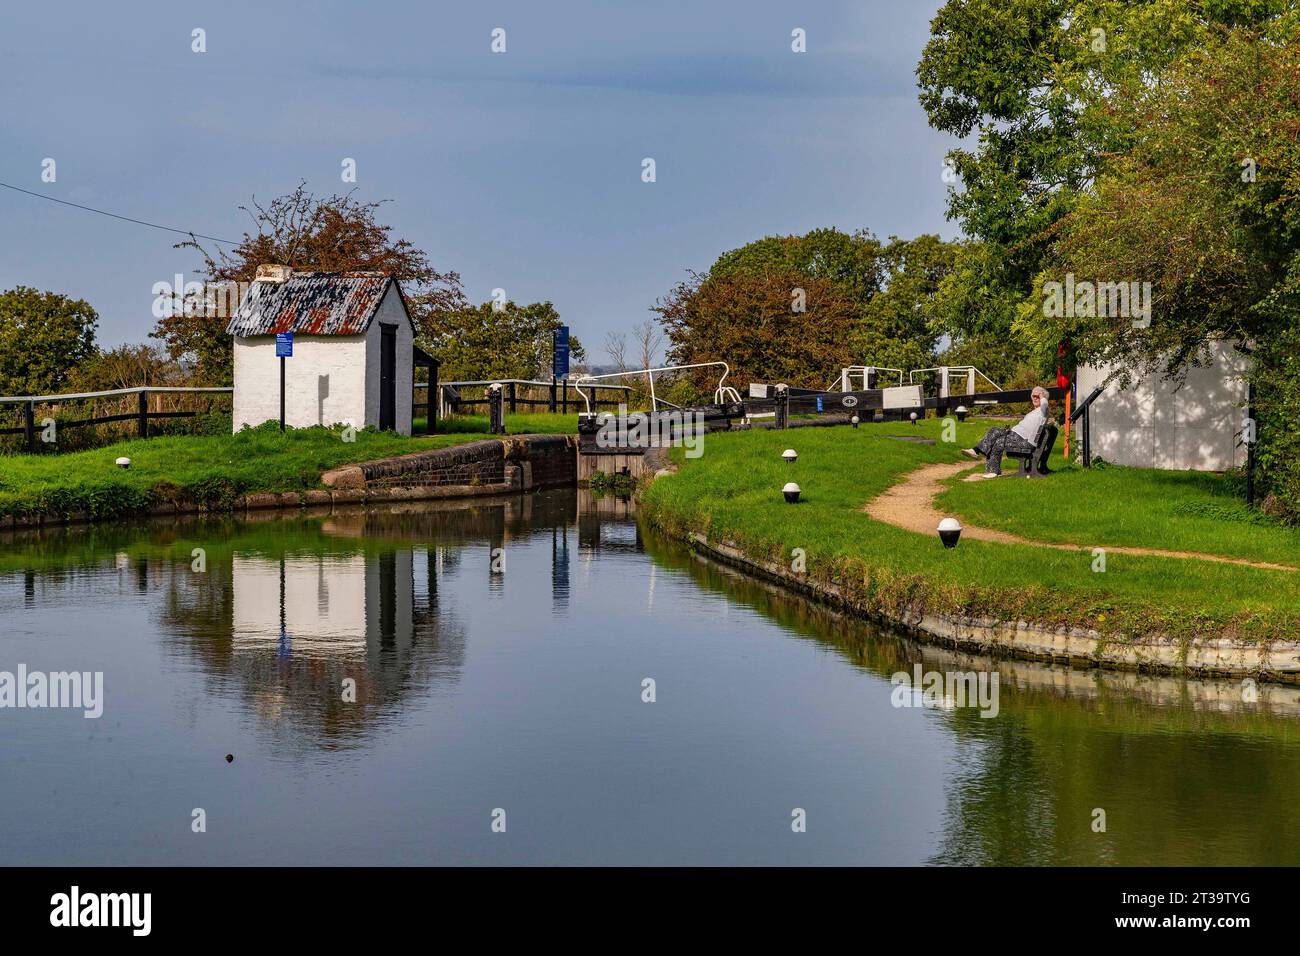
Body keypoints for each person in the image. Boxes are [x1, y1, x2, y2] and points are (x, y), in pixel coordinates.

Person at [963, 387, 1050, 477]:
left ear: (1043, 398)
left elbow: (1044, 405)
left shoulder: (1043, 411)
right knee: (995, 433)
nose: (1035, 398)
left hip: (1025, 441)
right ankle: (986, 462)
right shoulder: (1035, 411)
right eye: (1033, 396)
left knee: (998, 438)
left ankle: (982, 457)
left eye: (1038, 396)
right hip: (1017, 436)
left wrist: (1042, 396)